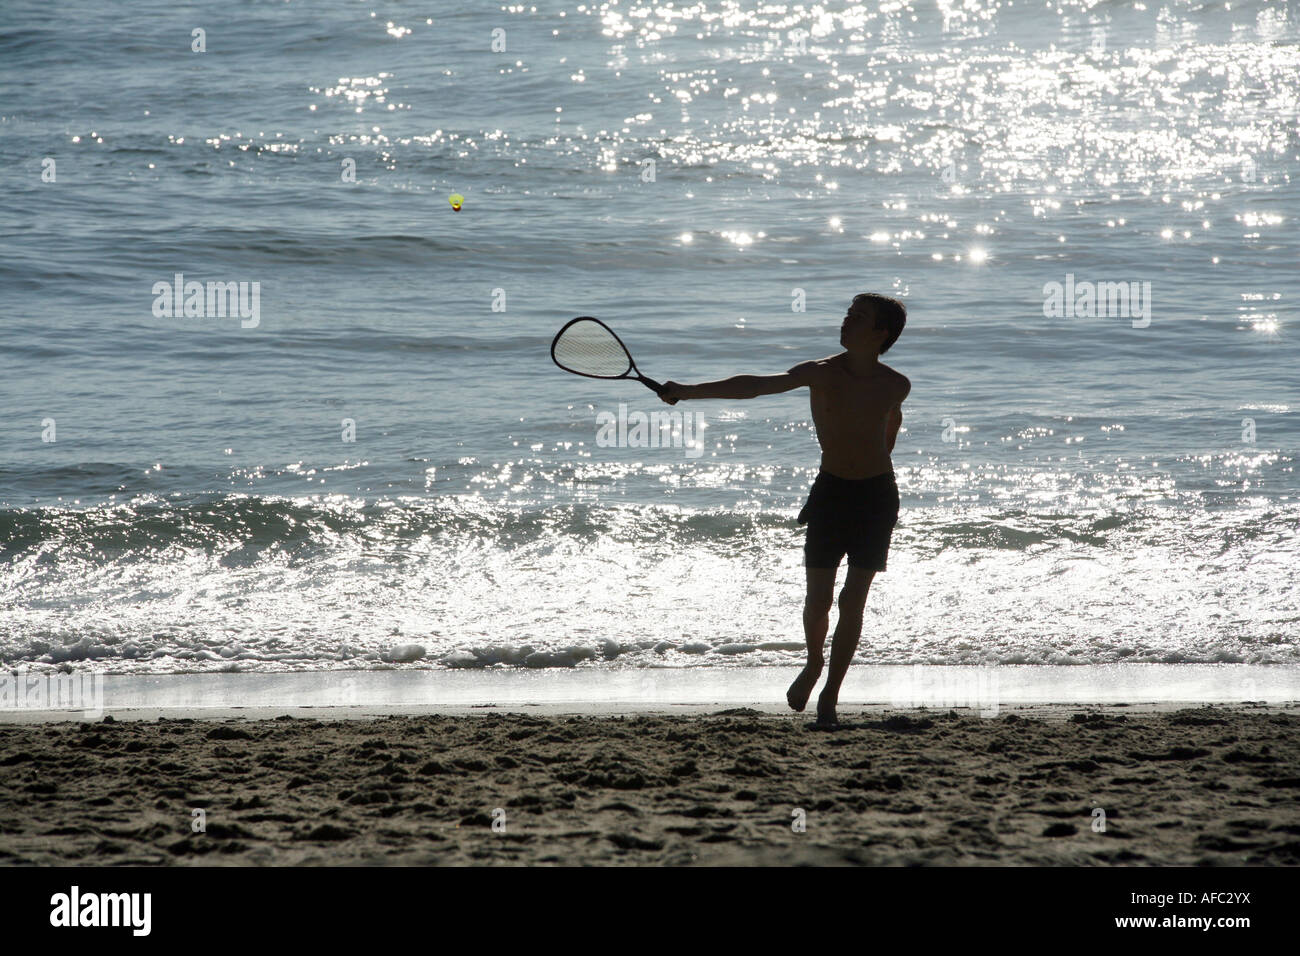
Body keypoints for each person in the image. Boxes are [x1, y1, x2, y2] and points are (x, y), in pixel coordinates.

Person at [658, 293, 910, 727]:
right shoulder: (821, 373)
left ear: (880, 333)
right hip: (830, 493)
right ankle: (813, 663)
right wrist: (687, 392)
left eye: (858, 317)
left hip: (877, 497)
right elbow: (755, 386)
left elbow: (891, 421)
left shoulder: (896, 384)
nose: (846, 321)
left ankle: (830, 695)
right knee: (819, 599)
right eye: (847, 313)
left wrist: (878, 453)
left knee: (854, 600)